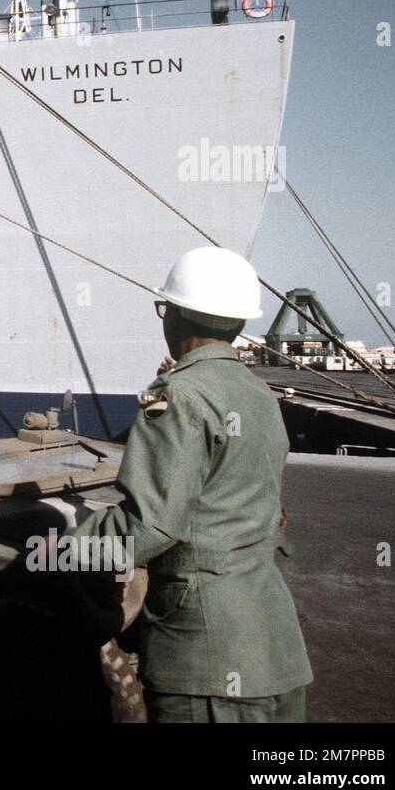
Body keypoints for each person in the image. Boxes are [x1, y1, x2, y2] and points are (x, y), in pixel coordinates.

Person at [66, 246, 312, 723]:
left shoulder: (179, 395)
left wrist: (65, 546)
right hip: (275, 648)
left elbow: (149, 529)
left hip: (207, 660)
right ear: (239, 322)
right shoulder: (259, 394)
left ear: (174, 317)